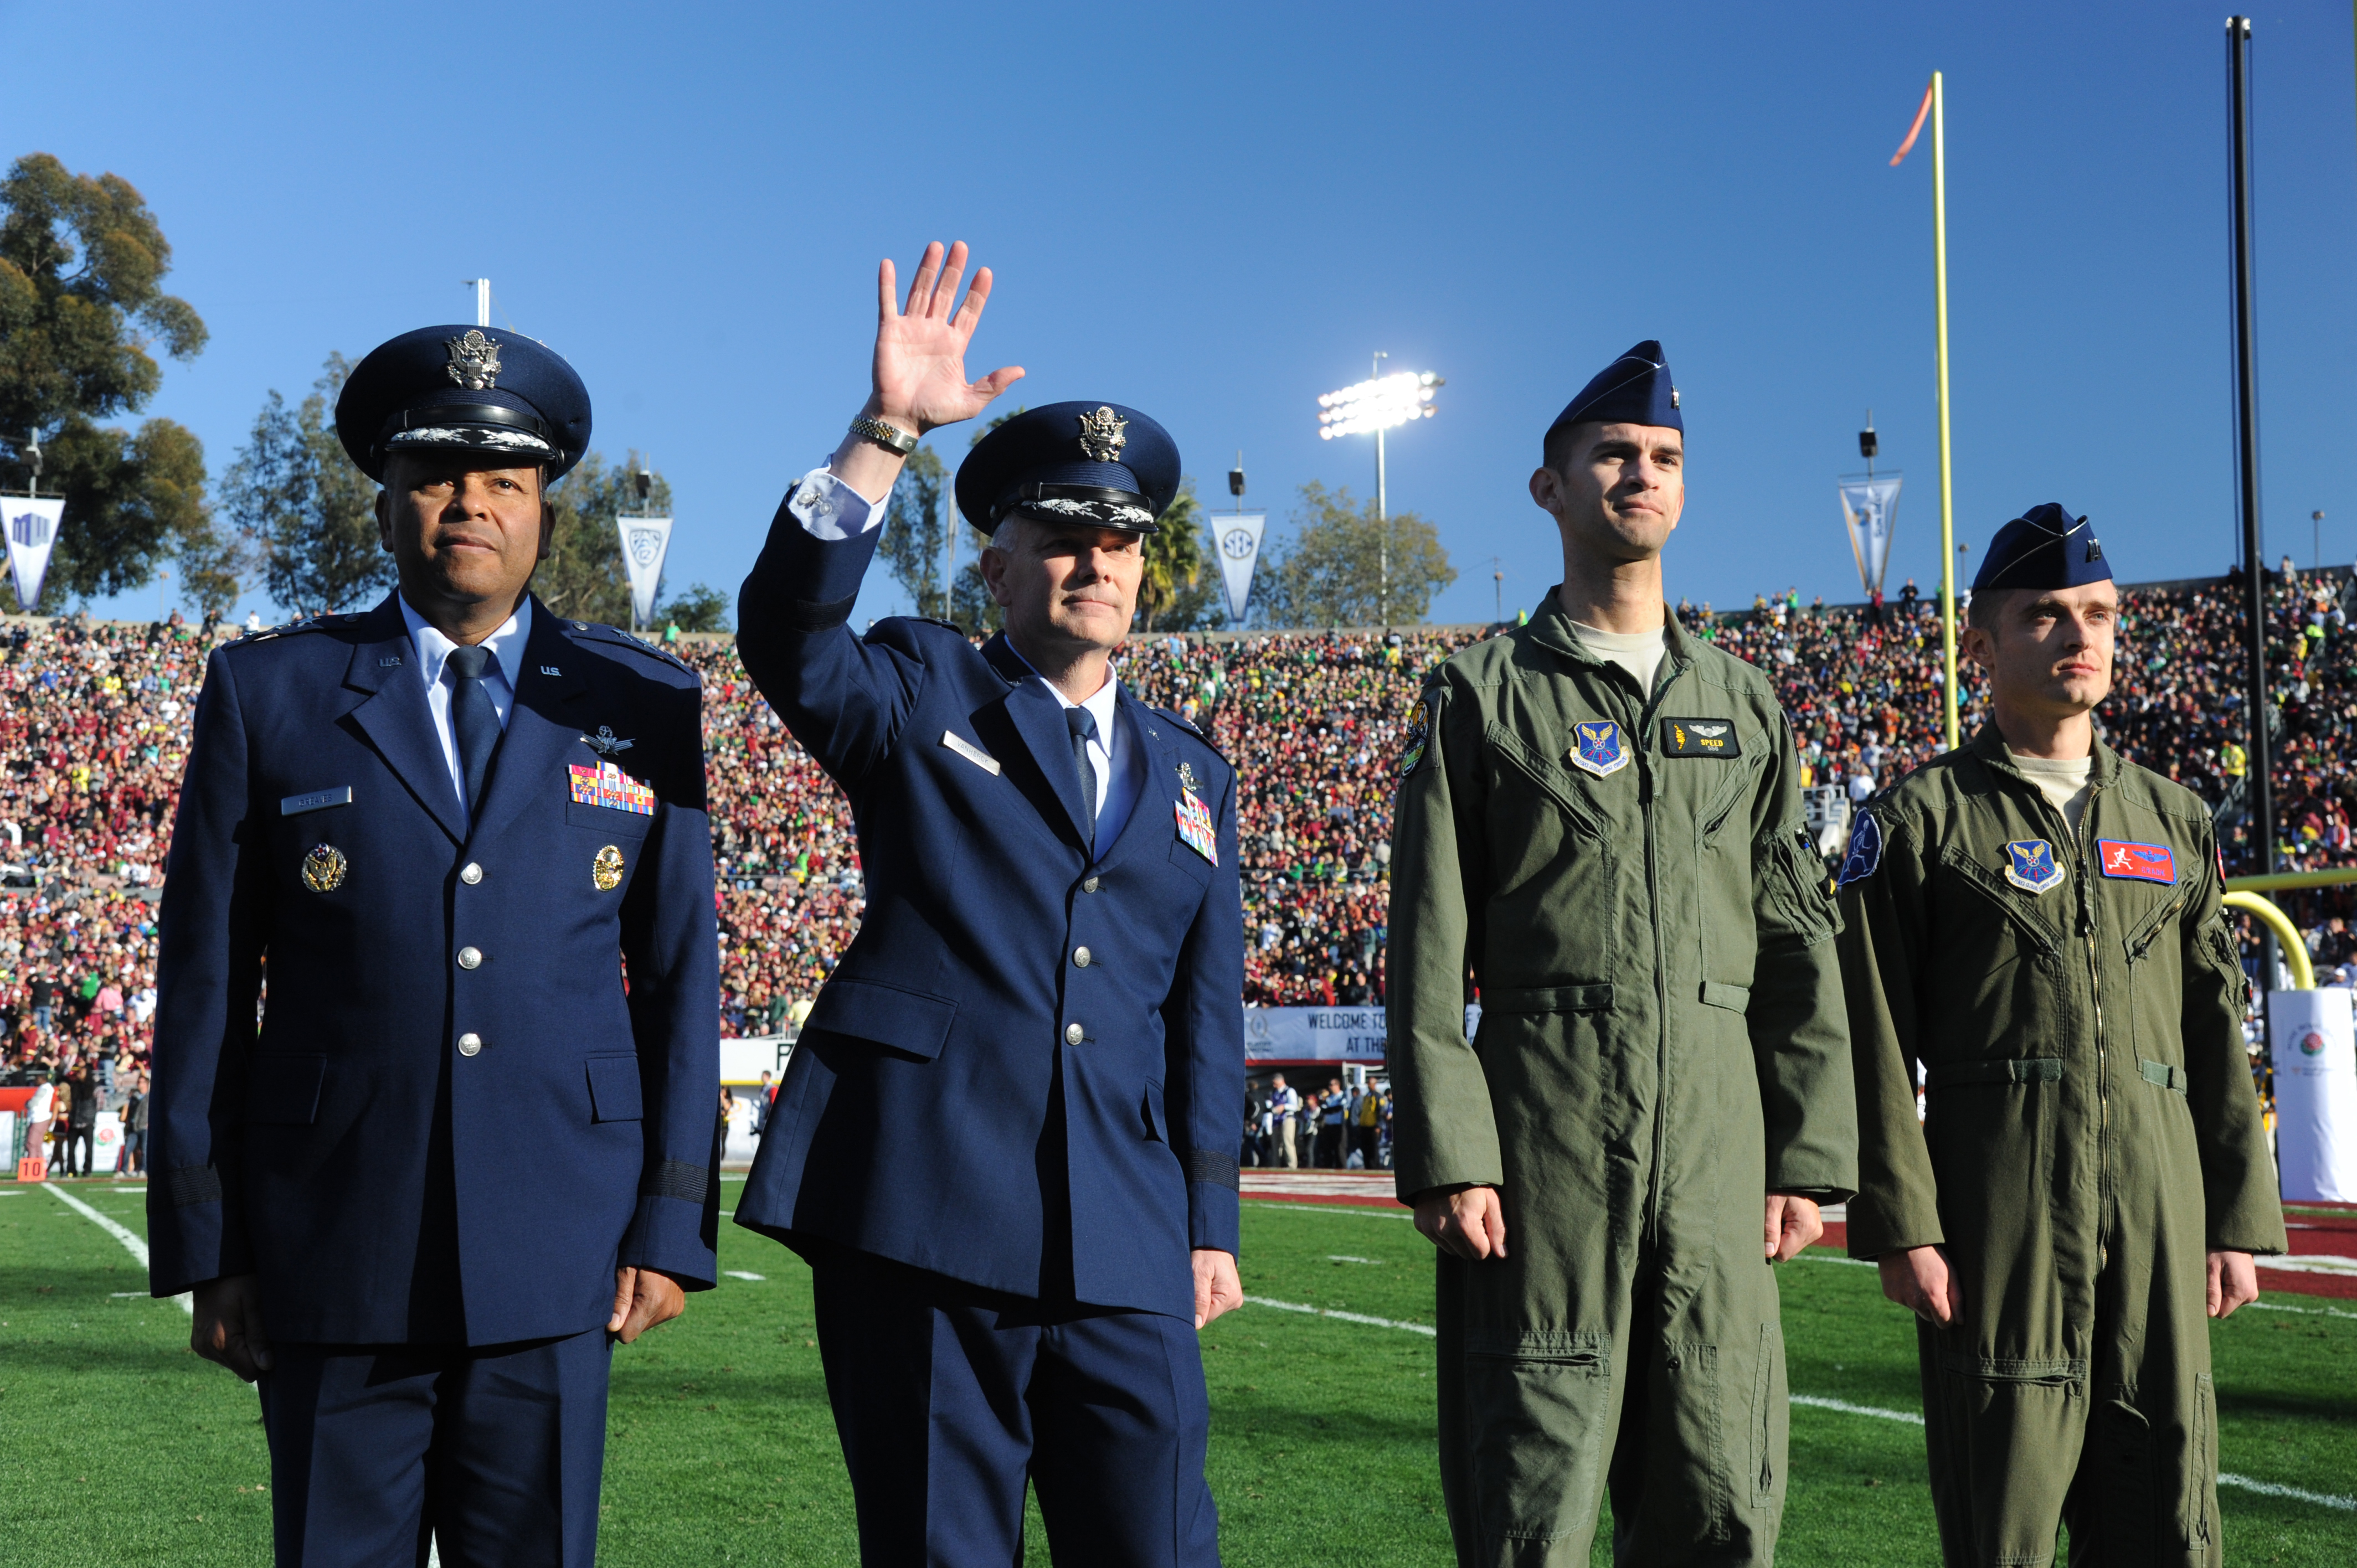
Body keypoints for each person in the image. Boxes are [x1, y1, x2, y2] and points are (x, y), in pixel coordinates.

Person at [147, 323, 722, 1564]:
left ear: (548, 521)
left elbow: (680, 984)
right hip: (329, 1242)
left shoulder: (645, 702)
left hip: (559, 1243)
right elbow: (203, 981)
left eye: (503, 481)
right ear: (389, 502)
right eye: (435, 477)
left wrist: (671, 1225)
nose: (468, 504)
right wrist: (210, 1240)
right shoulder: (270, 692)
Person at [732, 241, 1244, 1566]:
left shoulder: (1195, 772)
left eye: (1118, 538)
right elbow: (787, 635)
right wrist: (884, 431)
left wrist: (1208, 1222)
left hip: (1127, 1237)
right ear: (996, 570)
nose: (1094, 560)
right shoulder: (920, 687)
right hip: (924, 1210)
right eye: (1059, 536)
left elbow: (1204, 1017)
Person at [1387, 340, 1856, 1565]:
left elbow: (1796, 933)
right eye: (1613, 454)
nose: (1640, 475)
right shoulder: (1480, 693)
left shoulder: (1747, 704)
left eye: (1663, 458)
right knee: (1527, 1488)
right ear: (1549, 488)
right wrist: (1451, 1151)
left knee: (1719, 1481)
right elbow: (1430, 940)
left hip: (1714, 1129)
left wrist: (1807, 1152)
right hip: (1545, 1127)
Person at [1834, 504, 2287, 1566]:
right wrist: (1904, 1221)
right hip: (2003, 1217)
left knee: (2171, 1515)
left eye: (2097, 612)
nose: (2078, 633)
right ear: (1980, 646)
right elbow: (1870, 1031)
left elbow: (2214, 1026)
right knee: (2007, 1523)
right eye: (2044, 613)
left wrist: (2235, 1215)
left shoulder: (2174, 820)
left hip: (2161, 1210)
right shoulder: (1916, 821)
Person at [1270, 1071, 1301, 1168]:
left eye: (1276, 1083)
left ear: (1282, 1081)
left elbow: (1295, 1106)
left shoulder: (1289, 1091)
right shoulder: (1275, 1092)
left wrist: (1284, 1107)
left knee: (1288, 1142)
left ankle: (1292, 1165)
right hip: (1276, 1120)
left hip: (1287, 1119)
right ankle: (1276, 1165)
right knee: (1275, 1144)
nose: (1275, 1086)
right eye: (1274, 1083)